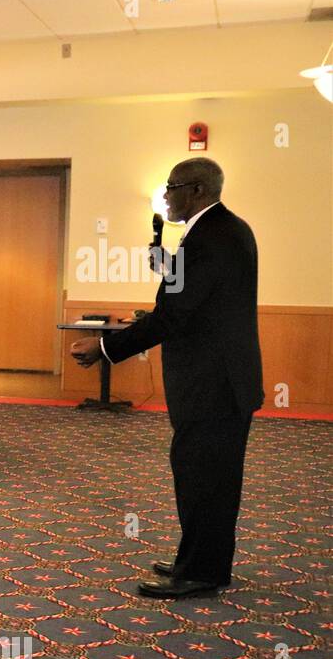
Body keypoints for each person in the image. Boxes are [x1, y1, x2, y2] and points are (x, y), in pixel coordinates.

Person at [71, 157, 262, 599]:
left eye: (171, 187)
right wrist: (165, 262)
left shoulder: (209, 239)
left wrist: (105, 348)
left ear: (196, 190)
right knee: (206, 477)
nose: (165, 196)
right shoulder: (225, 230)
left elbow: (174, 315)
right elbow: (196, 296)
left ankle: (201, 571)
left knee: (204, 480)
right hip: (219, 380)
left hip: (212, 384)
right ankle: (200, 560)